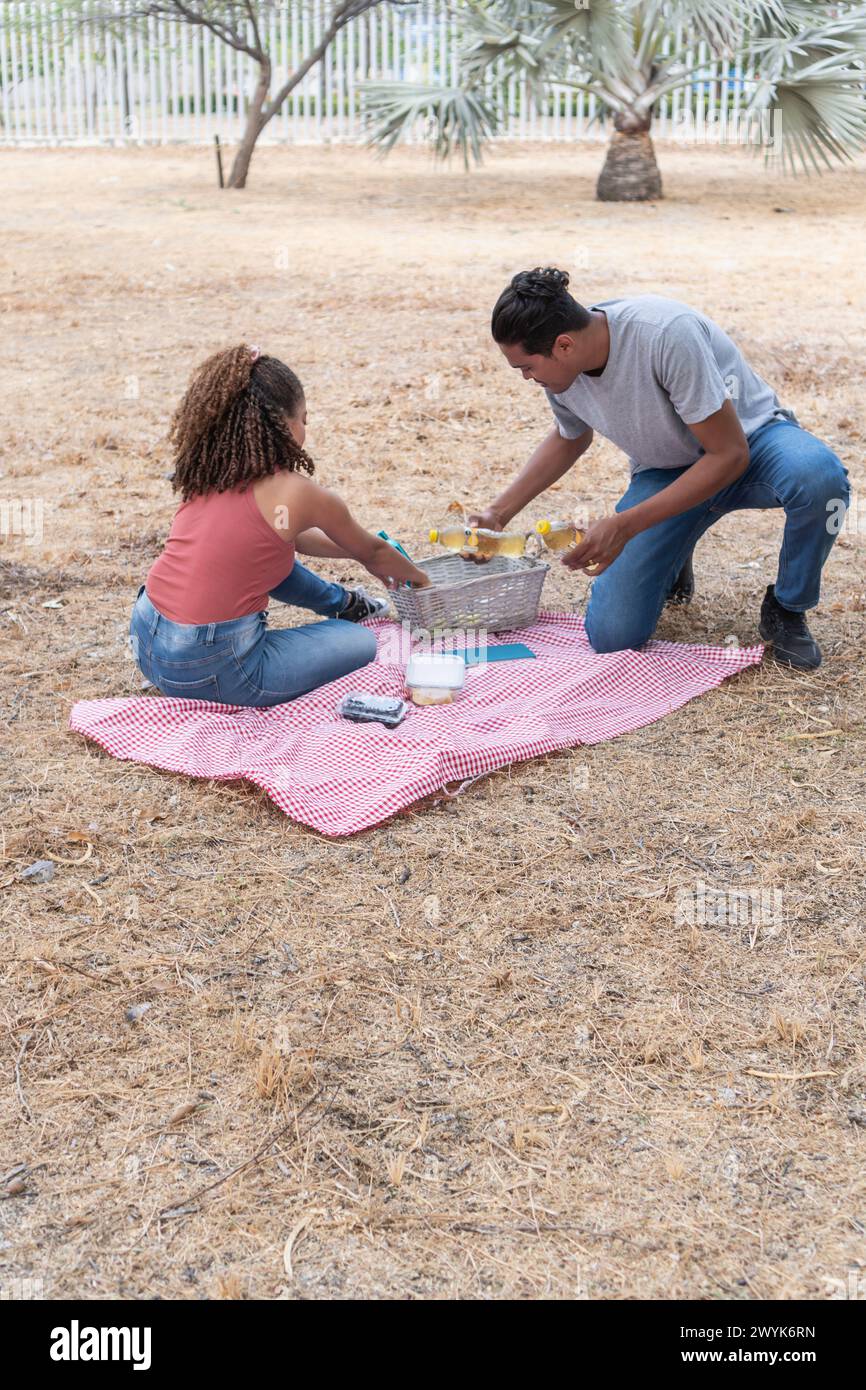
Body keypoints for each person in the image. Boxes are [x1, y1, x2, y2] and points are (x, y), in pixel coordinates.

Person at [471, 268, 850, 670]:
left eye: (526, 367)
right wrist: (499, 512)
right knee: (613, 636)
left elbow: (729, 455)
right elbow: (570, 437)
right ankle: (674, 548)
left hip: (751, 445)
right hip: (668, 470)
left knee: (819, 477)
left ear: (563, 345)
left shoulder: (665, 333)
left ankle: (788, 607)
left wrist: (625, 525)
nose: (528, 378)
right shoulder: (561, 374)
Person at [129, 344, 429, 707]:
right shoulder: (299, 493)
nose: (306, 427)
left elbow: (288, 540)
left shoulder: (209, 472)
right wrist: (427, 588)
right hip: (212, 669)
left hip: (147, 639)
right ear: (283, 424)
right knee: (361, 642)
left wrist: (356, 548)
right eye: (304, 418)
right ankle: (345, 614)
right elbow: (374, 553)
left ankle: (345, 603)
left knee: (275, 562)